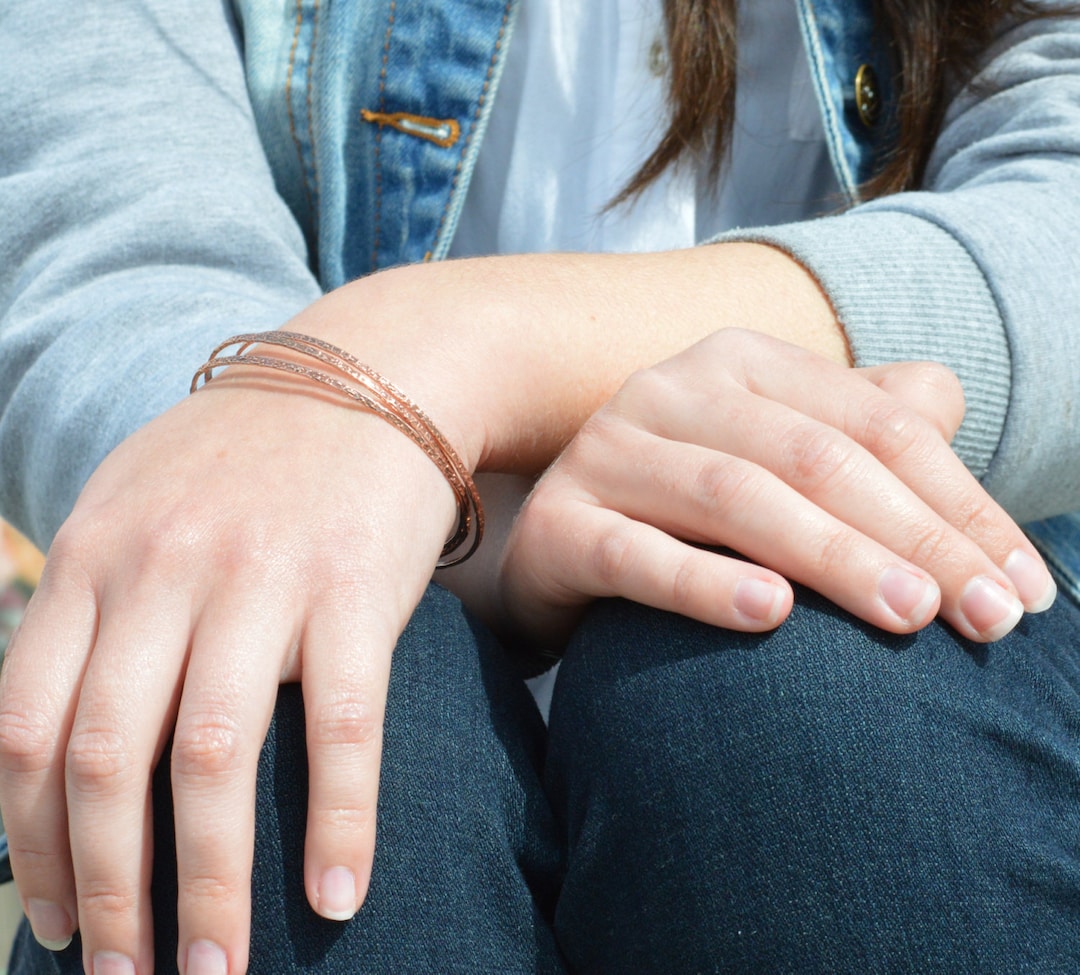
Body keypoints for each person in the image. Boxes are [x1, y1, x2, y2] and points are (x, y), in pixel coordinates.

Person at [1, 0, 1079, 972]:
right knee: (279, 728)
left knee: (798, 689)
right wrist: (482, 528)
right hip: (384, 533)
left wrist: (440, 352)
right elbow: (104, 229)